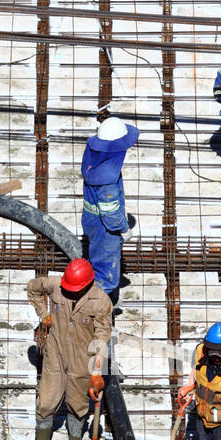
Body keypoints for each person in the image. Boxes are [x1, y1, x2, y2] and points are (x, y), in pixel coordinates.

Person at [24, 259, 113, 440]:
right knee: (46, 400)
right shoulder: (56, 285)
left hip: (83, 358)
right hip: (55, 352)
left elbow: (102, 337)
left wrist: (97, 372)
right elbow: (32, 288)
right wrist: (44, 314)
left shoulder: (100, 301)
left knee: (78, 403)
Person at [80, 117, 138, 303]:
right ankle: (99, 307)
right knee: (106, 272)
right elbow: (111, 214)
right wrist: (123, 228)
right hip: (105, 229)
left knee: (97, 258)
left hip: (91, 220)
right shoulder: (107, 179)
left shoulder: (95, 158)